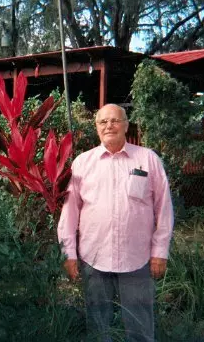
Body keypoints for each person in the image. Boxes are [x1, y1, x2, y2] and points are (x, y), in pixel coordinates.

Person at [57, 104, 174, 342]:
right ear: (97, 127)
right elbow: (69, 212)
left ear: (126, 125)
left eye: (115, 120)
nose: (109, 125)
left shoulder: (147, 159)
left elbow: (163, 208)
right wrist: (68, 253)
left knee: (140, 324)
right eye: (103, 122)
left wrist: (160, 251)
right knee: (99, 326)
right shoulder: (82, 163)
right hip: (94, 257)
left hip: (138, 258)